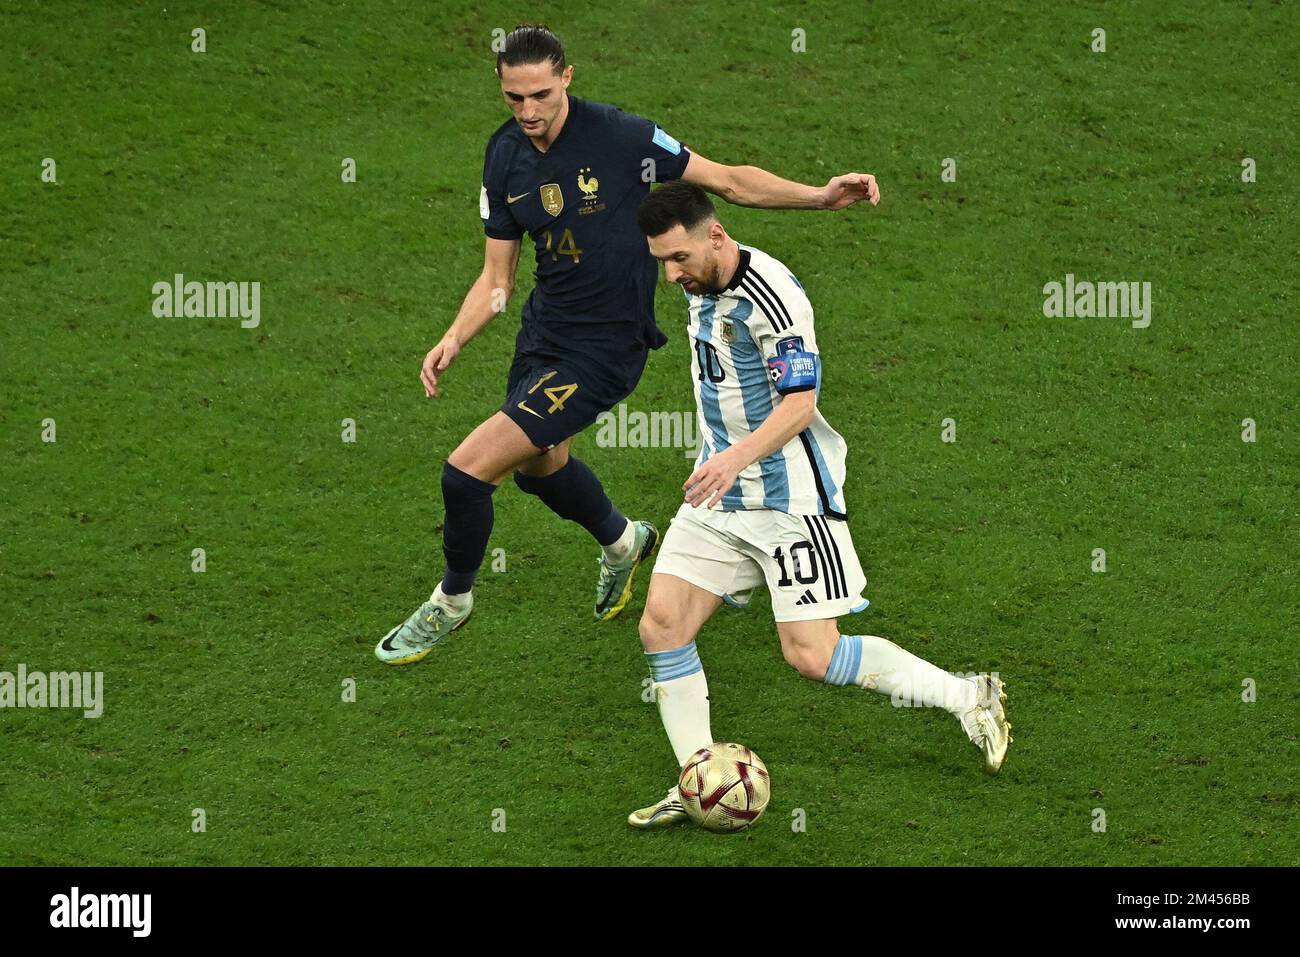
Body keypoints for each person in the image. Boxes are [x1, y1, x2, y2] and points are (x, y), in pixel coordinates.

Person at [376, 24, 880, 665]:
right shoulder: (503, 156)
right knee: (538, 469)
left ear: (567, 78)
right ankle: (624, 542)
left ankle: (452, 600)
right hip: (543, 338)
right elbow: (497, 279)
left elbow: (727, 180)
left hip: (607, 350)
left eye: (540, 95)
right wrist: (455, 336)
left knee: (467, 470)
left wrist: (820, 197)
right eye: (513, 98)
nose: (528, 111)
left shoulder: (622, 138)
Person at [627, 182, 1012, 828]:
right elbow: (729, 176)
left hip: (789, 499)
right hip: (720, 491)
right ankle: (701, 780)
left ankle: (970, 694)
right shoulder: (701, 281)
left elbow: (800, 406)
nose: (671, 276)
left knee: (813, 655)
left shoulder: (773, 298)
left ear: (716, 237)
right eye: (661, 261)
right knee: (661, 624)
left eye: (679, 259)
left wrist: (733, 458)